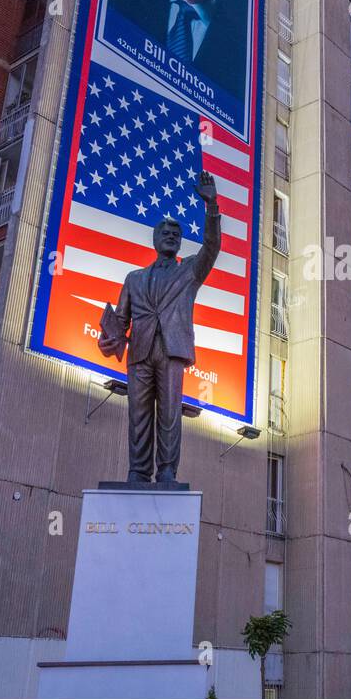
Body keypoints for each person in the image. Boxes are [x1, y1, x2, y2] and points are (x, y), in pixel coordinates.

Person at [99, 169, 221, 483]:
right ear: (155, 240)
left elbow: (212, 247)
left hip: (171, 351)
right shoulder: (134, 278)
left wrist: (212, 207)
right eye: (165, 233)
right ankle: (138, 472)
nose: (171, 236)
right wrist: (110, 338)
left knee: (169, 414)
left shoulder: (191, 271)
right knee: (138, 414)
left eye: (176, 234)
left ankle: (167, 471)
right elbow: (121, 321)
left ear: (180, 243)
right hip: (140, 353)